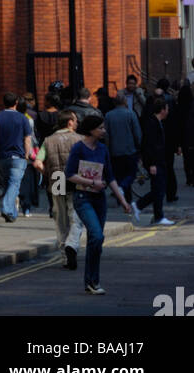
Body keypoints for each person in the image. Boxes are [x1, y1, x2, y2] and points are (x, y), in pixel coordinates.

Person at [64, 112, 131, 294]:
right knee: (96, 235)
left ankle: (92, 281)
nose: (104, 130)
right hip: (83, 198)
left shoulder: (103, 149)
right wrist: (92, 182)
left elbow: (110, 177)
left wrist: (123, 201)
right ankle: (91, 281)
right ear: (91, 130)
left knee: (97, 240)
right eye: (100, 128)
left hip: (99, 199)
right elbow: (69, 174)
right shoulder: (78, 148)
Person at [37, 109, 84, 269]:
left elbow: (37, 162)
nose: (77, 123)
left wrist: (47, 173)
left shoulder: (48, 140)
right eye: (75, 120)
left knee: (60, 219)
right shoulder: (80, 139)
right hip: (75, 179)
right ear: (69, 122)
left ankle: (64, 254)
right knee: (75, 217)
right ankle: (72, 244)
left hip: (56, 178)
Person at [0, 92, 32, 222]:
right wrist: (27, 154)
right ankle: (6, 208)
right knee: (14, 184)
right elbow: (27, 139)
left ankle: (12, 215)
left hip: (2, 157)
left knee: (8, 185)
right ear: (16, 103)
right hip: (18, 156)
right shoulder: (23, 118)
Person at [133, 98, 176, 227]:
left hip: (159, 161)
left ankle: (145, 209)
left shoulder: (157, 122)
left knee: (159, 189)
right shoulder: (152, 123)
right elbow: (149, 145)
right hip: (155, 162)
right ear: (162, 110)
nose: (168, 111)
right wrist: (152, 163)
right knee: (159, 189)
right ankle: (153, 213)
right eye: (167, 109)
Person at [103, 93, 141, 210]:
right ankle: (124, 193)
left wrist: (108, 149)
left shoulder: (108, 115)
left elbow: (106, 135)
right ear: (125, 102)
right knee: (131, 174)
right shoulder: (131, 114)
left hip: (115, 151)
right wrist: (139, 147)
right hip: (129, 150)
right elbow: (137, 134)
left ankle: (123, 200)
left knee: (119, 175)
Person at [16, 97, 39, 217]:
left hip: (12, 152)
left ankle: (14, 203)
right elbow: (31, 138)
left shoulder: (9, 118)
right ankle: (26, 207)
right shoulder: (29, 120)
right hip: (25, 153)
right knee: (27, 181)